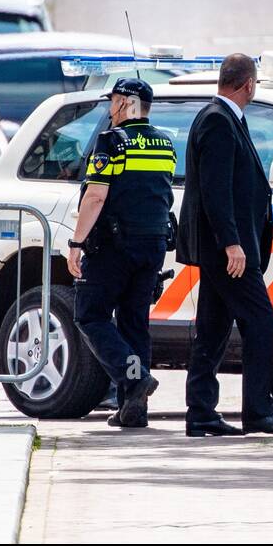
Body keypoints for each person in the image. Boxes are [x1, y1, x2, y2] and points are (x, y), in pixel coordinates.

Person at [177, 54, 273, 437]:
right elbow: (215, 192)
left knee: (213, 329)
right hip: (226, 252)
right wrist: (232, 243)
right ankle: (259, 413)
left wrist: (268, 228)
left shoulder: (227, 119)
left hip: (231, 247)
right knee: (261, 319)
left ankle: (201, 414)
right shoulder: (217, 120)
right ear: (248, 84)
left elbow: (241, 189)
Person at [67, 78, 175, 429]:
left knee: (90, 316)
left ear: (127, 103)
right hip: (153, 247)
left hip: (115, 247)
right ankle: (134, 409)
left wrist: (76, 243)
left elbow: (96, 196)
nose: (109, 109)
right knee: (134, 321)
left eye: (113, 101)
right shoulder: (165, 143)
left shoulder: (113, 142)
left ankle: (134, 376)